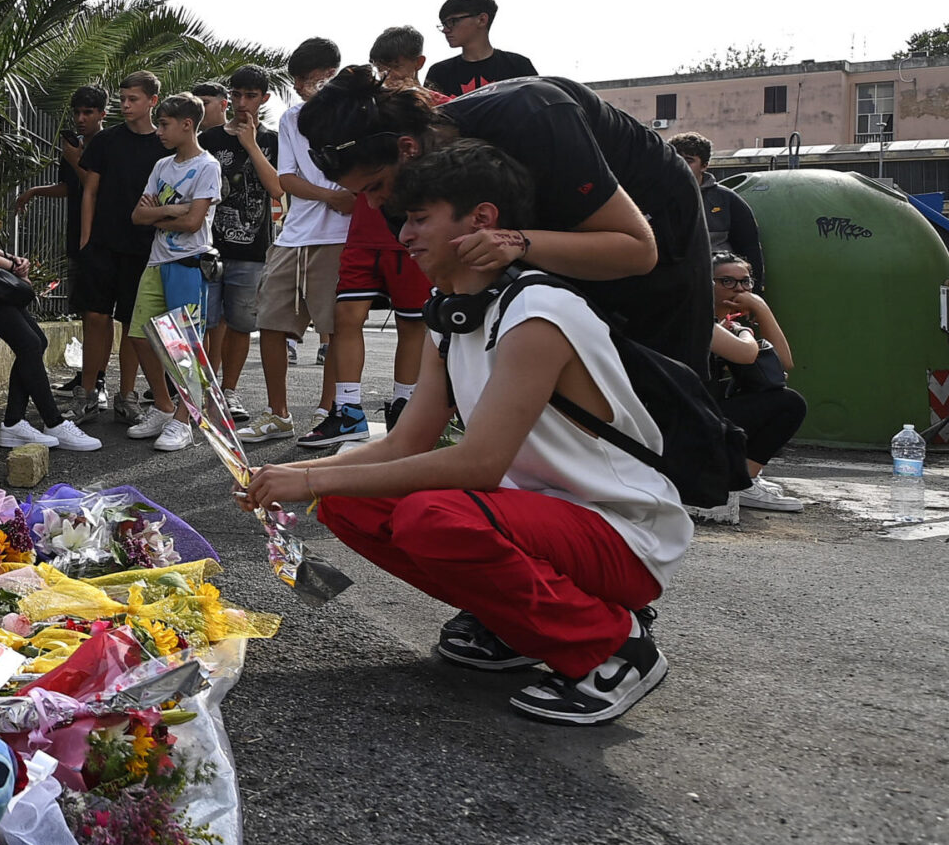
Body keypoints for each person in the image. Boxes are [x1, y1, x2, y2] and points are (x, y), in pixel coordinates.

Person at [244, 141, 689, 726]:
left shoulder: (537, 311)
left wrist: (308, 479)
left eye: (420, 218)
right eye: (403, 219)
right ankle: (517, 626)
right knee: (347, 501)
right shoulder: (451, 314)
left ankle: (613, 646)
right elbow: (406, 443)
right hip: (532, 516)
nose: (404, 234)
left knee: (432, 517)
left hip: (618, 532)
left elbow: (478, 464)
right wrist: (296, 478)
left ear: (481, 220)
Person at [296, 68, 715, 376]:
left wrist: (519, 242)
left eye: (375, 186)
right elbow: (451, 290)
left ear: (407, 149)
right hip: (534, 223)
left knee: (655, 372)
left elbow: (637, 251)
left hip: (647, 210)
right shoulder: (394, 181)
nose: (374, 205)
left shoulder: (531, 115)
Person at [318, 28, 445, 444]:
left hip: (410, 236)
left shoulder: (437, 112)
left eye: (397, 67)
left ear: (418, 64)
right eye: (382, 69)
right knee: (346, 316)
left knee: (413, 323)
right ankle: (347, 408)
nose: (390, 77)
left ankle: (405, 408)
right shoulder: (368, 112)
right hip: (363, 230)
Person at [0, 118, 104, 453]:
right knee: (29, 344)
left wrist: (11, 258)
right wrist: (8, 265)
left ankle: (14, 423)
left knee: (37, 340)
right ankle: (53, 422)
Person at [246, 41, 354, 443]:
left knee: (336, 330)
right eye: (301, 80)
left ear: (333, 73)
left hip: (338, 238)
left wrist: (350, 200)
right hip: (293, 236)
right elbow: (285, 179)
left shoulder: (357, 114)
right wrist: (331, 197)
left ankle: (331, 410)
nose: (306, 87)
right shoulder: (292, 119)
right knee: (271, 322)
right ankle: (278, 413)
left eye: (314, 79)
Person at [123, 92, 220, 453]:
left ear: (187, 125)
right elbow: (137, 216)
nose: (159, 131)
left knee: (185, 346)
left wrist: (164, 213)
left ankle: (186, 417)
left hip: (189, 264)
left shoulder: (208, 167)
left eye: (164, 124)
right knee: (139, 335)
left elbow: (195, 222)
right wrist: (176, 211)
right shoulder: (162, 166)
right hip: (156, 261)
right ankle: (164, 407)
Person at [77, 71, 169, 423]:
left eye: (133, 99)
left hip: (145, 248)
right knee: (95, 317)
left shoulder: (164, 145)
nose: (125, 105)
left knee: (133, 324)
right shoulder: (105, 141)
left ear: (152, 101)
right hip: (101, 243)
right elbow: (90, 191)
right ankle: (86, 392)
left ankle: (126, 394)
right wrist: (86, 240)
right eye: (122, 98)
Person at [18, 86, 109, 400]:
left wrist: (75, 160)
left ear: (102, 114)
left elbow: (94, 188)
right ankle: (87, 375)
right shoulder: (75, 146)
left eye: (88, 112)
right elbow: (69, 188)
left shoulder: (106, 145)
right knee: (84, 311)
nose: (81, 119)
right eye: (77, 113)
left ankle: (97, 381)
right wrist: (34, 191)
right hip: (76, 239)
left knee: (98, 313)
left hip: (100, 240)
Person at [202, 67, 282, 422]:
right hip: (207, 246)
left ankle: (229, 390)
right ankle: (202, 392)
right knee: (205, 322)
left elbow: (277, 188)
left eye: (251, 96)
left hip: (251, 250)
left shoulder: (273, 141)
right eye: (236, 95)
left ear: (264, 99)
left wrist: (250, 143)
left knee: (240, 324)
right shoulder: (209, 139)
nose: (242, 103)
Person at [704, 253, 808, 516]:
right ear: (707, 282)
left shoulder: (724, 324)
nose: (739, 289)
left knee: (780, 396)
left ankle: (744, 478)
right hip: (681, 418)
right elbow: (746, 353)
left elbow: (783, 363)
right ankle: (738, 482)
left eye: (746, 282)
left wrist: (762, 309)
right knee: (788, 404)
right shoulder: (698, 317)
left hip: (706, 409)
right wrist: (746, 329)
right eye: (727, 281)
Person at [668, 134, 767, 282]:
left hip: (716, 287)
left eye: (689, 160)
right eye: (676, 159)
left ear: (705, 165)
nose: (680, 165)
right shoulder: (655, 199)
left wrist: (754, 291)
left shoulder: (727, 200)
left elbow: (750, 251)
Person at [425, 0, 538, 97]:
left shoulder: (518, 67)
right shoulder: (439, 73)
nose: (445, 30)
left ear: (482, 20)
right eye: (444, 24)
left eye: (452, 21)